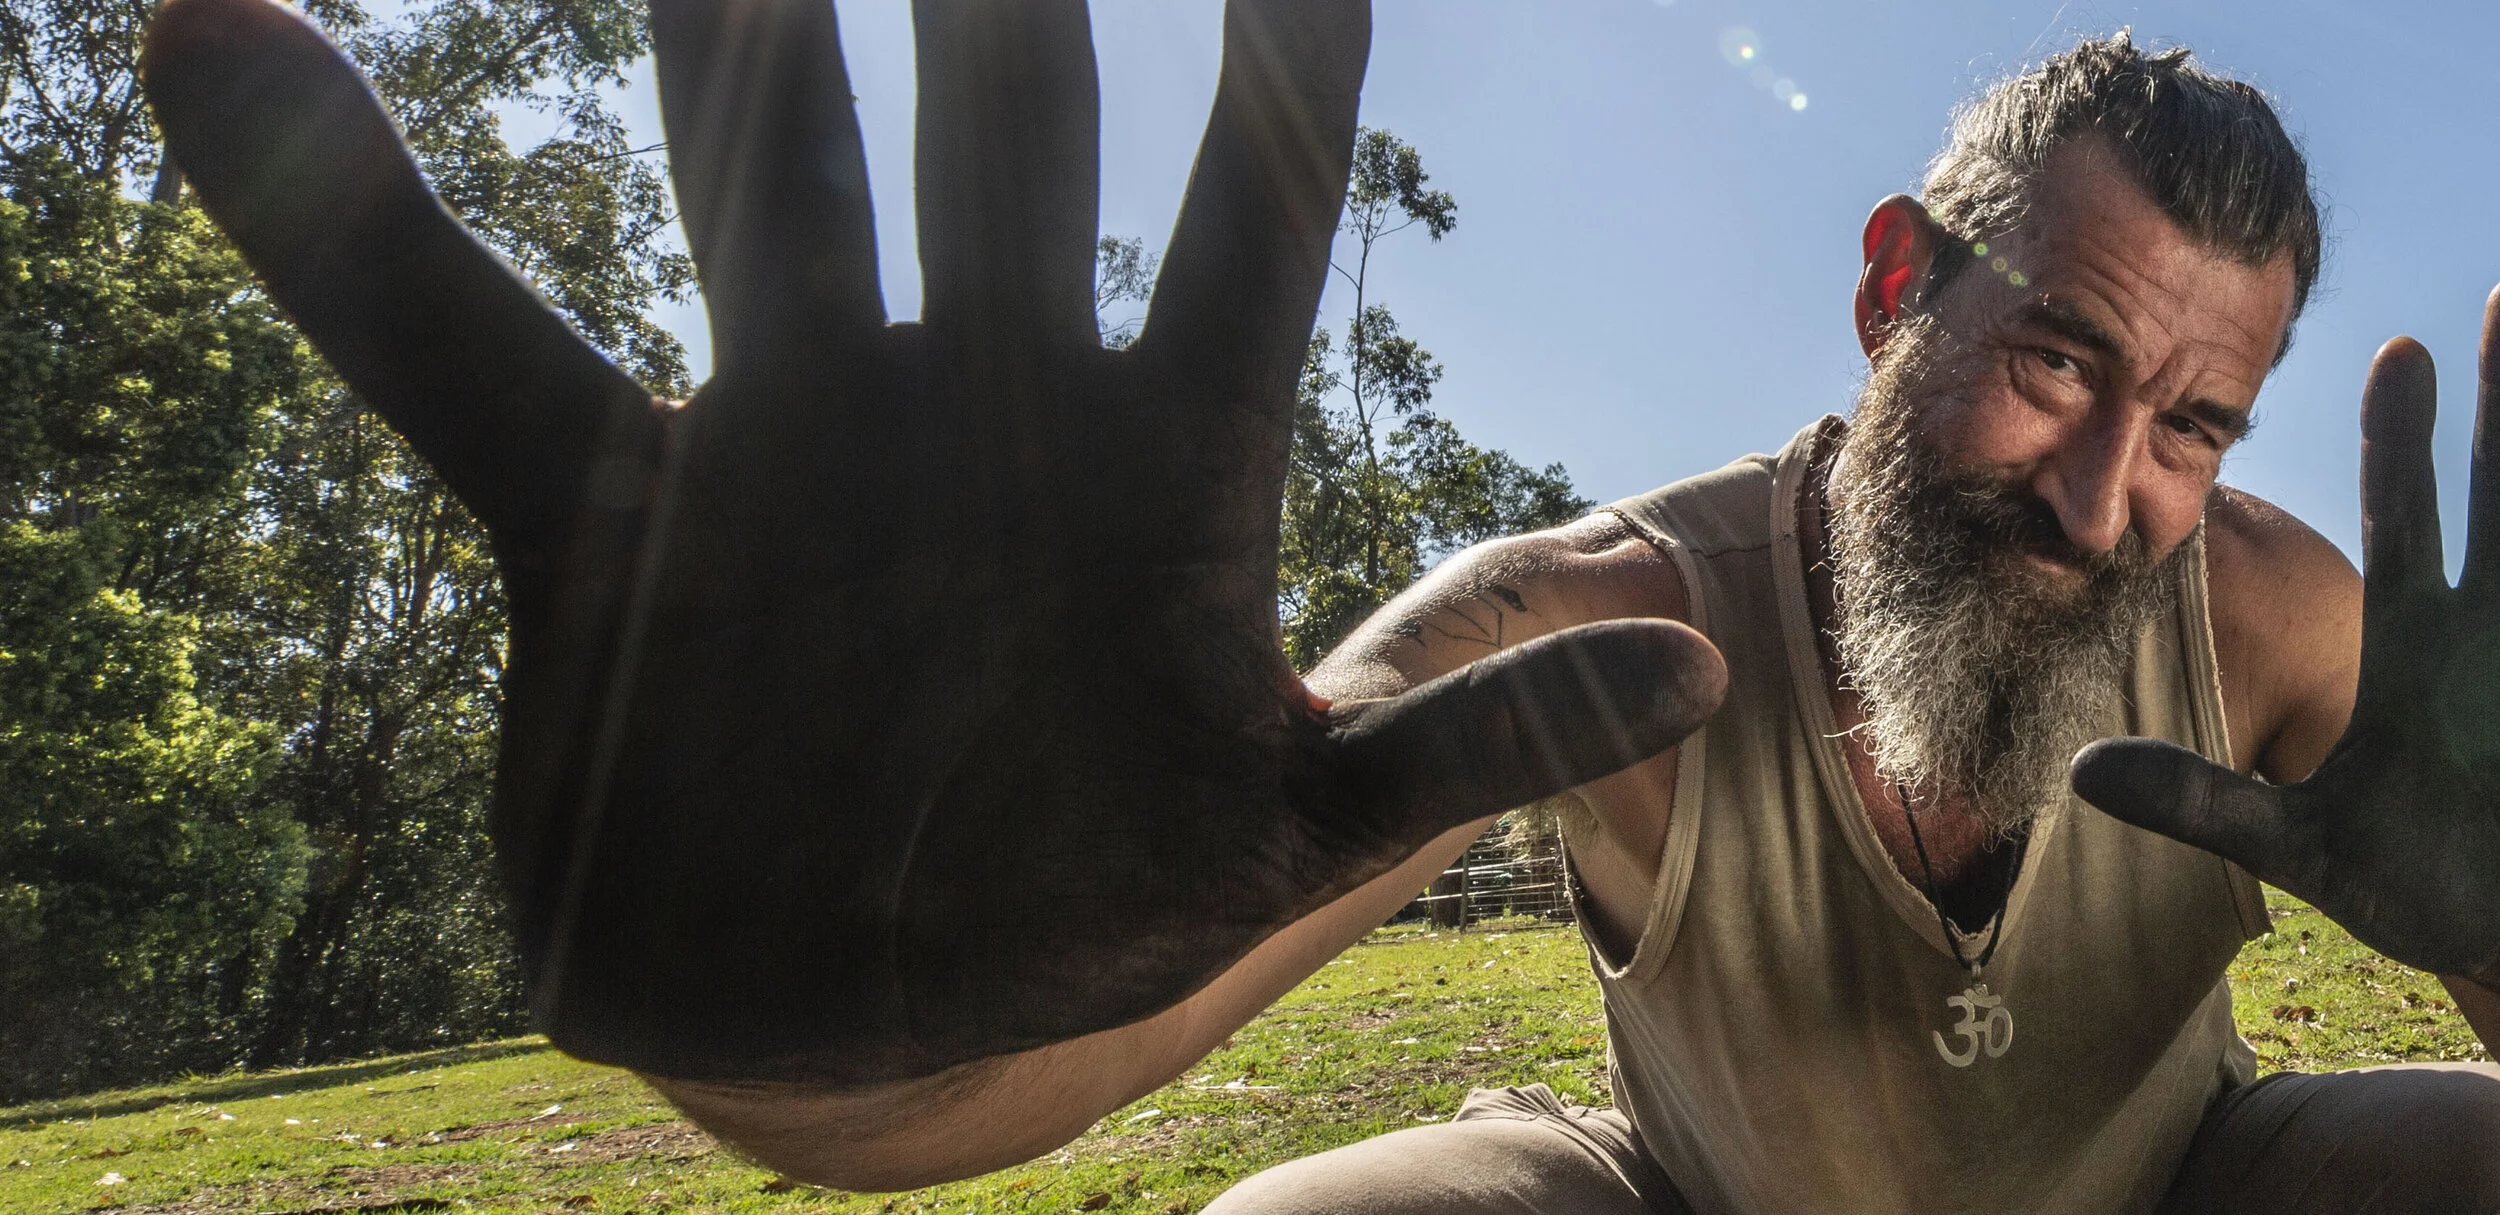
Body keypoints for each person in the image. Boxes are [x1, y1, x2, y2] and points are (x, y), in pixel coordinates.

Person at [143, 3, 2500, 1210]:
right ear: (1895, 288)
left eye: (2191, 420)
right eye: (2057, 361)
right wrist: (785, 1015)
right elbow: (1063, 1024)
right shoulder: (1593, 624)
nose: (2104, 492)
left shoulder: (2275, 624)